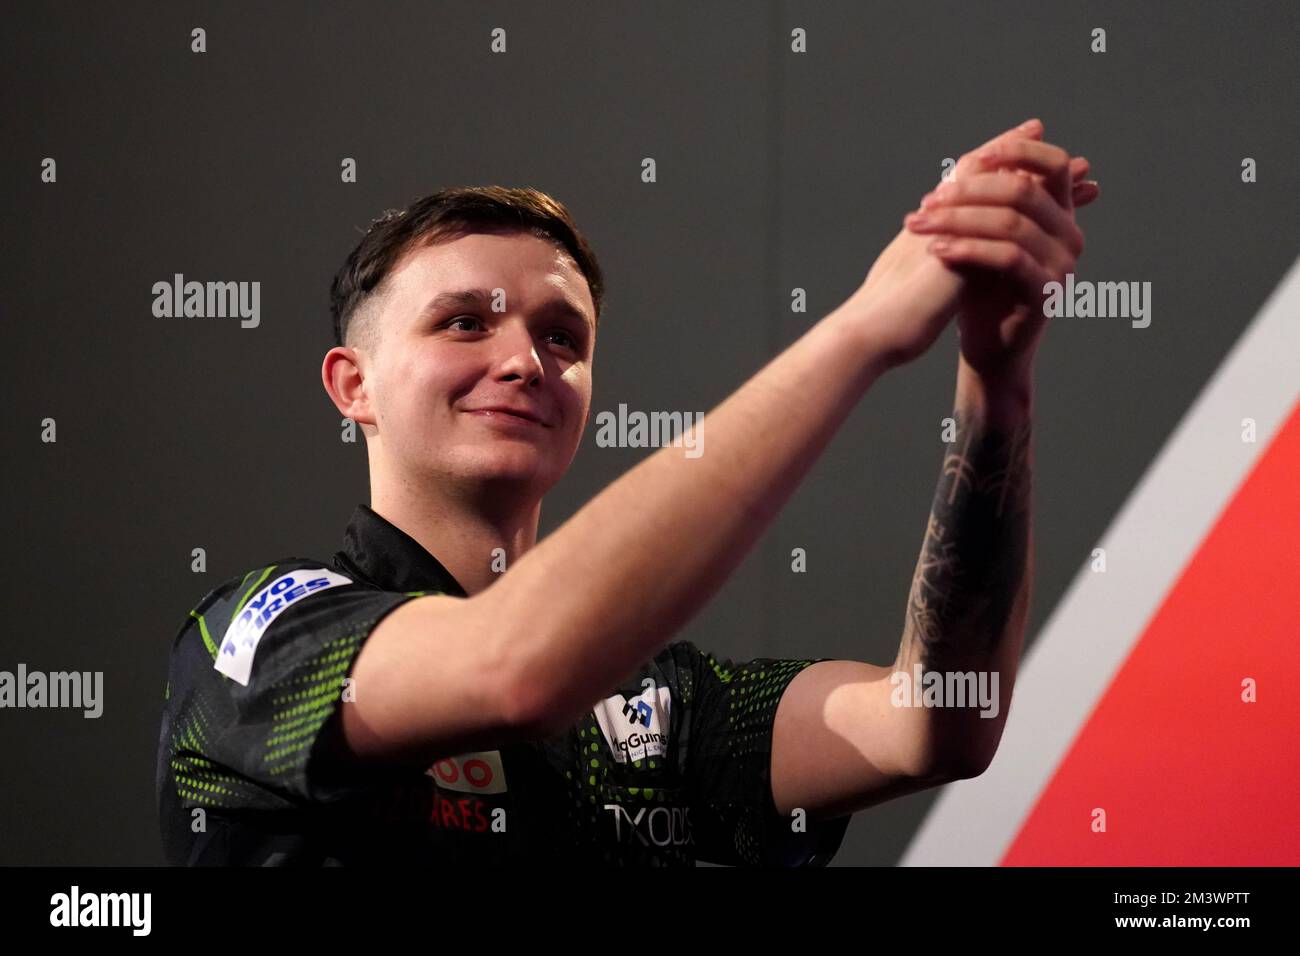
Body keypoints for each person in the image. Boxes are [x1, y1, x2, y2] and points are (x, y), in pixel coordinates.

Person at [155, 118, 1098, 866]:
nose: (525, 362)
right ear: (353, 385)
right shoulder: (257, 638)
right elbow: (517, 666)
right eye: (463, 323)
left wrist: (996, 384)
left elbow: (936, 724)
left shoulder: (659, 708)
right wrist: (861, 333)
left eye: (561, 336)